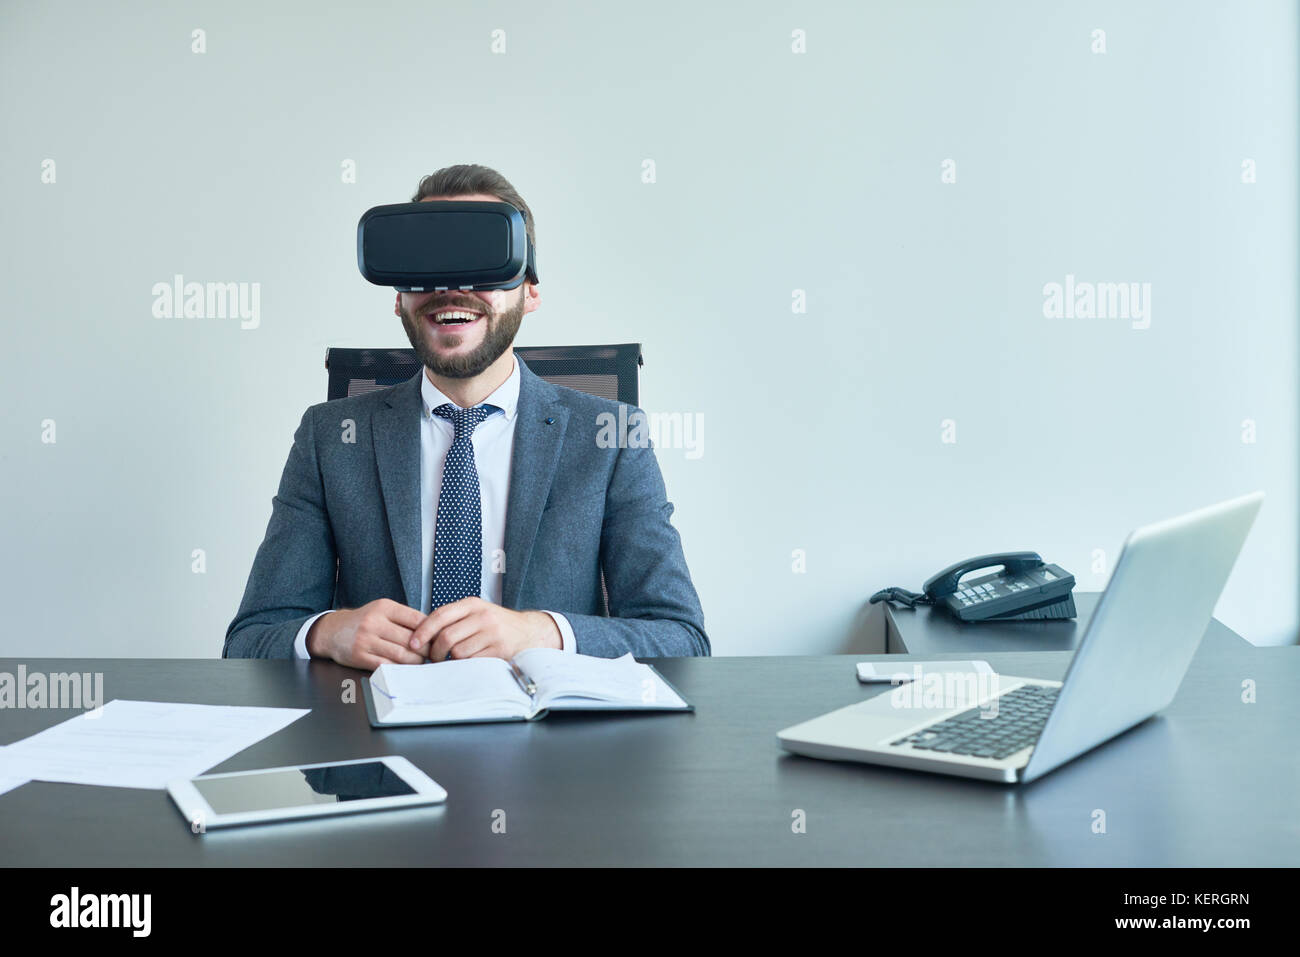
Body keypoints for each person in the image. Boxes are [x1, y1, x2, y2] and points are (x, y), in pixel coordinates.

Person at [223, 164, 708, 669]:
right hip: (379, 724)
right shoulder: (329, 439)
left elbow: (681, 637)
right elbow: (249, 639)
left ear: (531, 291)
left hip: (549, 740)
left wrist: (542, 633)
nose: (452, 287)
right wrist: (326, 632)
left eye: (481, 262)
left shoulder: (613, 438)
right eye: (428, 266)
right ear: (399, 298)